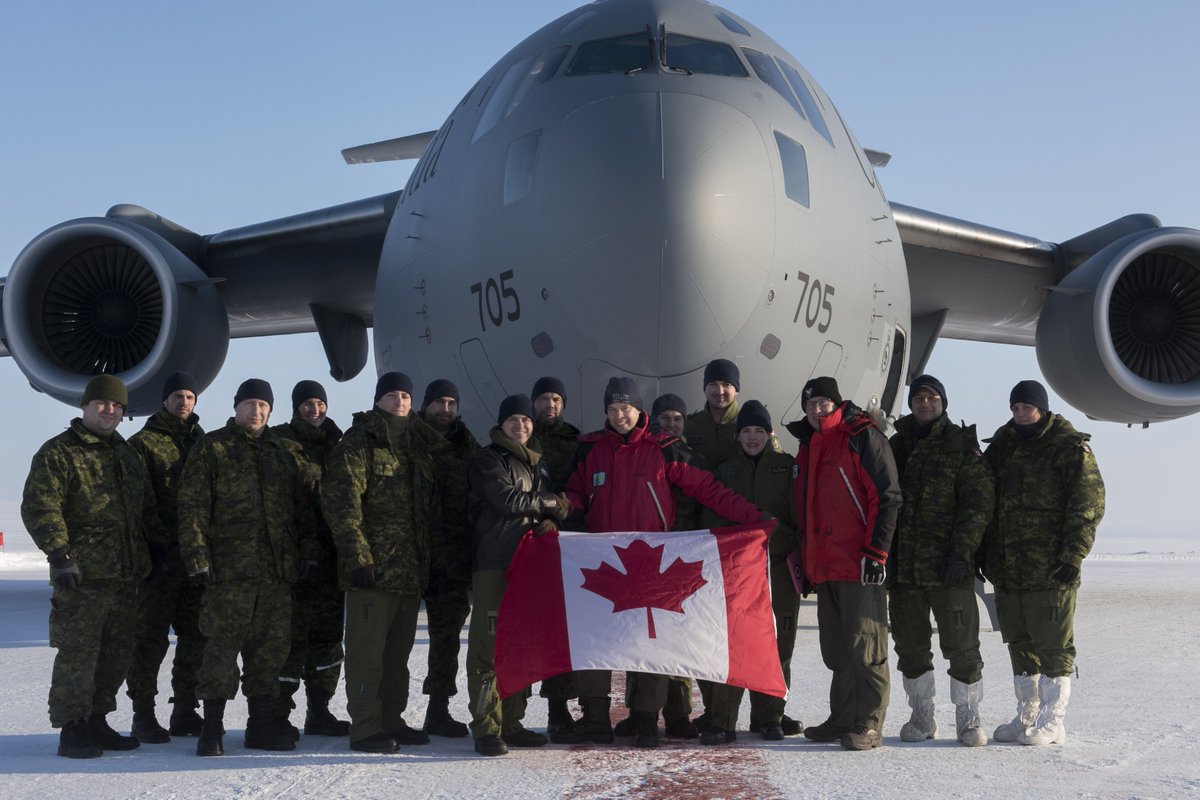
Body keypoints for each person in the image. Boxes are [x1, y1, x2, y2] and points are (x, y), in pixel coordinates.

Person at [553, 377, 765, 750]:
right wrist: (559, 509)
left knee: (648, 643)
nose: (620, 416)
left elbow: (707, 488)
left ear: (640, 412)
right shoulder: (590, 450)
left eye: (627, 409)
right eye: (614, 410)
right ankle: (596, 717)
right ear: (607, 411)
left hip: (650, 560)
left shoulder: (665, 449)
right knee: (595, 641)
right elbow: (576, 492)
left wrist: (751, 517)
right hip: (603, 559)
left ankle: (648, 721)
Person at [22, 374, 163, 758]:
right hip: (82, 576)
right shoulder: (59, 452)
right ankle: (73, 727)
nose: (109, 410)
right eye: (102, 403)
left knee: (116, 653)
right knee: (78, 654)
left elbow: (146, 510)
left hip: (127, 574)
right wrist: (60, 555)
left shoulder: (127, 455)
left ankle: (98, 720)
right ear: (84, 406)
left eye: (117, 405)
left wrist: (160, 553)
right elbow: (40, 506)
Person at [179, 378, 310, 757]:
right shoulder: (213, 448)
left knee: (268, 652)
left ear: (271, 411)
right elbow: (192, 507)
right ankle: (212, 727)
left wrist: (306, 555)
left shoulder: (283, 453)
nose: (256, 412)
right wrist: (197, 559)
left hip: (275, 573)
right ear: (236, 407)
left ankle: (260, 724)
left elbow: (302, 511)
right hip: (227, 573)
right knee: (221, 650)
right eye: (250, 404)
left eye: (263, 406)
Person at [322, 372, 447, 753]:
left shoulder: (419, 446)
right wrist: (358, 555)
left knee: (398, 656)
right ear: (378, 400)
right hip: (372, 572)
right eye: (392, 395)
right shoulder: (359, 443)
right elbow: (342, 504)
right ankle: (365, 727)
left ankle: (392, 719)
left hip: (409, 572)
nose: (399, 402)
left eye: (406, 396)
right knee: (367, 655)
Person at [982, 379, 1104, 746]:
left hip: (1051, 569)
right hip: (1008, 568)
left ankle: (1054, 721)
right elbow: (983, 503)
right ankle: (1027, 717)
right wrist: (983, 554)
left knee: (1053, 646)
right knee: (1019, 643)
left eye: (1026, 407)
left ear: (1042, 408)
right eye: (1015, 408)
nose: (1020, 414)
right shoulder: (1001, 448)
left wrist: (1073, 554)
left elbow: (1088, 505)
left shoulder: (1068, 448)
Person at [785, 376, 901, 751]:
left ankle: (868, 722)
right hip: (825, 565)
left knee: (866, 645)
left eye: (823, 403)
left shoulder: (861, 437)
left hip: (857, 563)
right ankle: (843, 717)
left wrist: (876, 552)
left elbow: (885, 496)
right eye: (811, 405)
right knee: (837, 649)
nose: (817, 410)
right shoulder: (809, 445)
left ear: (836, 403)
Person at [887, 375, 993, 747]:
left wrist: (961, 552)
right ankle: (922, 716)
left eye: (932, 398)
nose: (925, 404)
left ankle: (969, 719)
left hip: (950, 570)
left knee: (962, 648)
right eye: (918, 398)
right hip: (905, 570)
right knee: (911, 648)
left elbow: (978, 504)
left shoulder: (960, 445)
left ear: (943, 402)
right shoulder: (895, 445)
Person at [464, 394, 570, 756]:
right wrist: (552, 502)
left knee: (520, 646)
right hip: (494, 563)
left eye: (526, 421)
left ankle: (512, 721)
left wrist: (550, 520)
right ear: (501, 424)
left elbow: (536, 511)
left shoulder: (536, 465)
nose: (521, 426)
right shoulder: (486, 459)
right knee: (488, 647)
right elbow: (507, 501)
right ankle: (486, 727)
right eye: (513, 421)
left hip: (526, 565)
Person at [700, 400, 802, 744]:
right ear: (738, 436)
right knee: (734, 644)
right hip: (739, 573)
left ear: (769, 433)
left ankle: (769, 716)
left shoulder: (786, 468)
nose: (752, 437)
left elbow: (799, 516)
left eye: (759, 430)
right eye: (746, 431)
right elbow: (711, 519)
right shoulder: (725, 471)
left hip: (779, 567)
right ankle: (722, 719)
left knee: (777, 644)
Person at [125, 372, 207, 743]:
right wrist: (150, 550)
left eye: (189, 396)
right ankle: (143, 714)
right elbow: (134, 503)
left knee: (196, 638)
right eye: (177, 395)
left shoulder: (203, 443)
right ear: (164, 400)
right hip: (159, 561)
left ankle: (185, 710)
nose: (184, 402)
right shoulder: (143, 444)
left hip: (196, 562)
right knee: (149, 641)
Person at [270, 380, 351, 739]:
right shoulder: (280, 442)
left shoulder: (341, 444)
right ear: (295, 407)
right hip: (296, 560)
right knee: (290, 639)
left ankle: (319, 710)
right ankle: (278, 712)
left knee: (329, 638)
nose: (314, 410)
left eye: (319, 403)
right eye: (306, 404)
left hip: (333, 559)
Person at [418, 378, 479, 738]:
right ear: (426, 405)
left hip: (452, 560)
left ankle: (437, 710)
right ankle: (378, 712)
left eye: (451, 403)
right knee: (389, 643)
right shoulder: (408, 441)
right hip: (406, 555)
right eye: (439, 402)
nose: (445, 409)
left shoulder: (467, 449)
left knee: (446, 640)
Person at [528, 375, 581, 733]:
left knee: (562, 628)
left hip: (564, 542)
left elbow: (581, 487)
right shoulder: (520, 436)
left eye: (557, 400)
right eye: (544, 398)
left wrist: (560, 515)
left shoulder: (574, 442)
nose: (551, 405)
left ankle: (558, 708)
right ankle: (509, 709)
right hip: (524, 541)